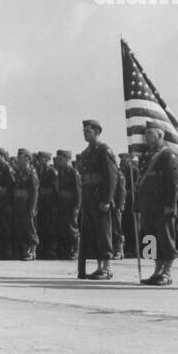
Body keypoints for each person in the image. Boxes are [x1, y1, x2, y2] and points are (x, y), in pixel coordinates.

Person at [136, 125, 178, 285]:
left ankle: (167, 272)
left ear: (160, 135)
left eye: (150, 133)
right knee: (150, 239)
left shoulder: (168, 155)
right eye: (145, 133)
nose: (146, 136)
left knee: (166, 238)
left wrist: (171, 204)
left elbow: (174, 182)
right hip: (148, 205)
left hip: (162, 204)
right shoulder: (146, 155)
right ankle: (156, 271)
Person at [76, 120, 118, 280]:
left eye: (89, 131)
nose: (85, 133)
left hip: (100, 198)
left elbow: (111, 176)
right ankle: (99, 266)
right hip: (89, 199)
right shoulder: (86, 152)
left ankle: (106, 267)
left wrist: (108, 199)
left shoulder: (103, 150)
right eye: (84, 131)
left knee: (104, 232)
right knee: (93, 233)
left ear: (97, 132)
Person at [11, 148, 39, 260]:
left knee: (30, 228)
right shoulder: (19, 172)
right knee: (21, 228)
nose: (18, 158)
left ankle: (32, 250)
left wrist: (32, 208)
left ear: (27, 158)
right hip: (19, 204)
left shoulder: (31, 173)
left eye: (20, 156)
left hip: (27, 205)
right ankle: (25, 249)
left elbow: (34, 192)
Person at [54, 150, 80, 259]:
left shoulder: (74, 172)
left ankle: (76, 250)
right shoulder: (61, 172)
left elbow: (78, 191)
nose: (58, 161)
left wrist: (76, 207)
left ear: (67, 159)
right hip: (63, 204)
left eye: (60, 159)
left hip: (70, 205)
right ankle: (67, 250)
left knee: (72, 228)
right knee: (63, 228)